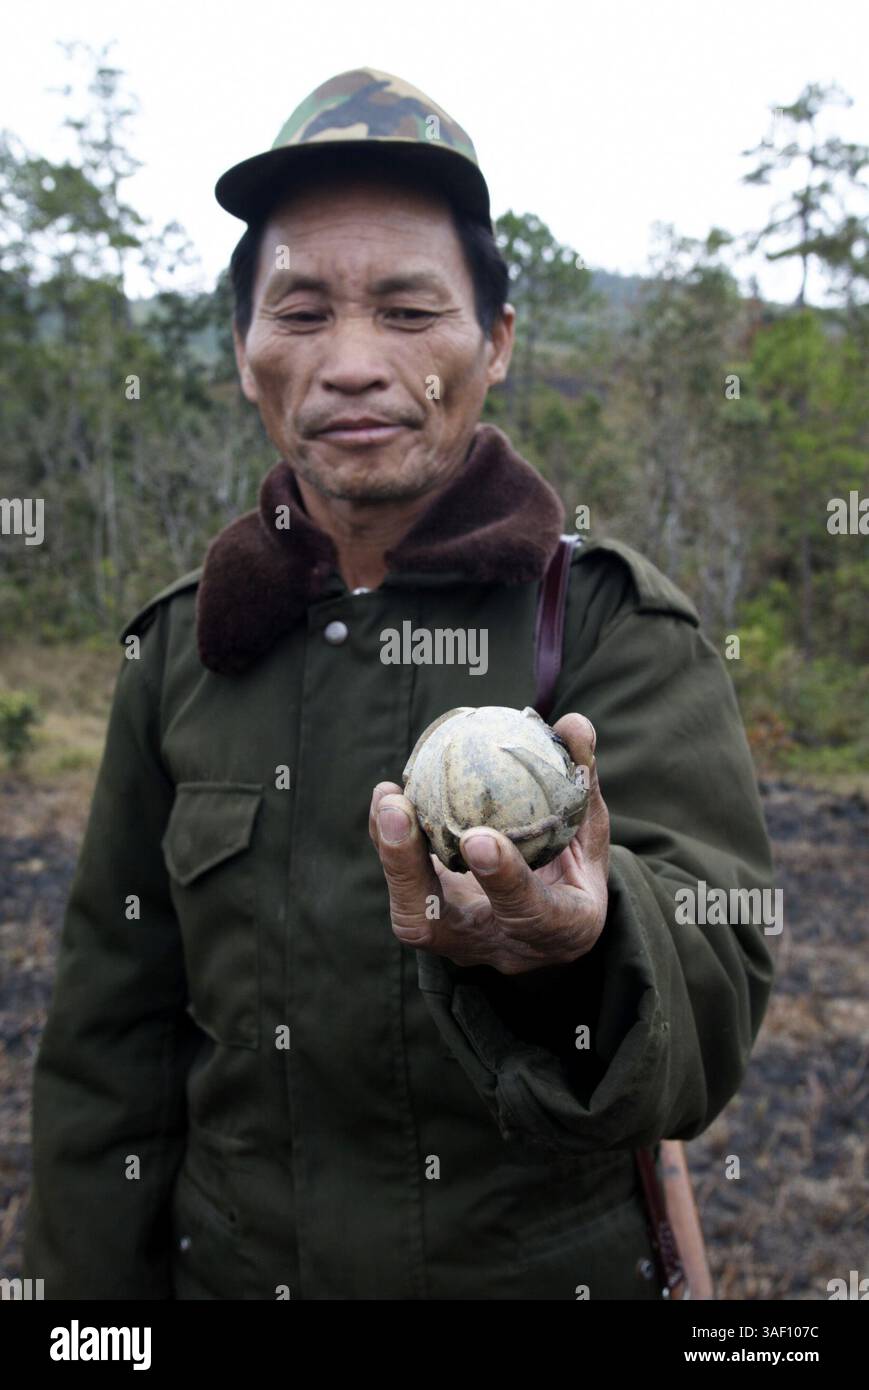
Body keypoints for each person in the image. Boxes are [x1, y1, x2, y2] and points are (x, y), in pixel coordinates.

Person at [24, 68, 774, 1300]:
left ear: (496, 343)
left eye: (409, 310)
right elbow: (109, 1049)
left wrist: (580, 945)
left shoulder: (607, 626)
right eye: (303, 311)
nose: (355, 363)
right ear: (241, 349)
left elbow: (722, 982)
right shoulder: (178, 652)